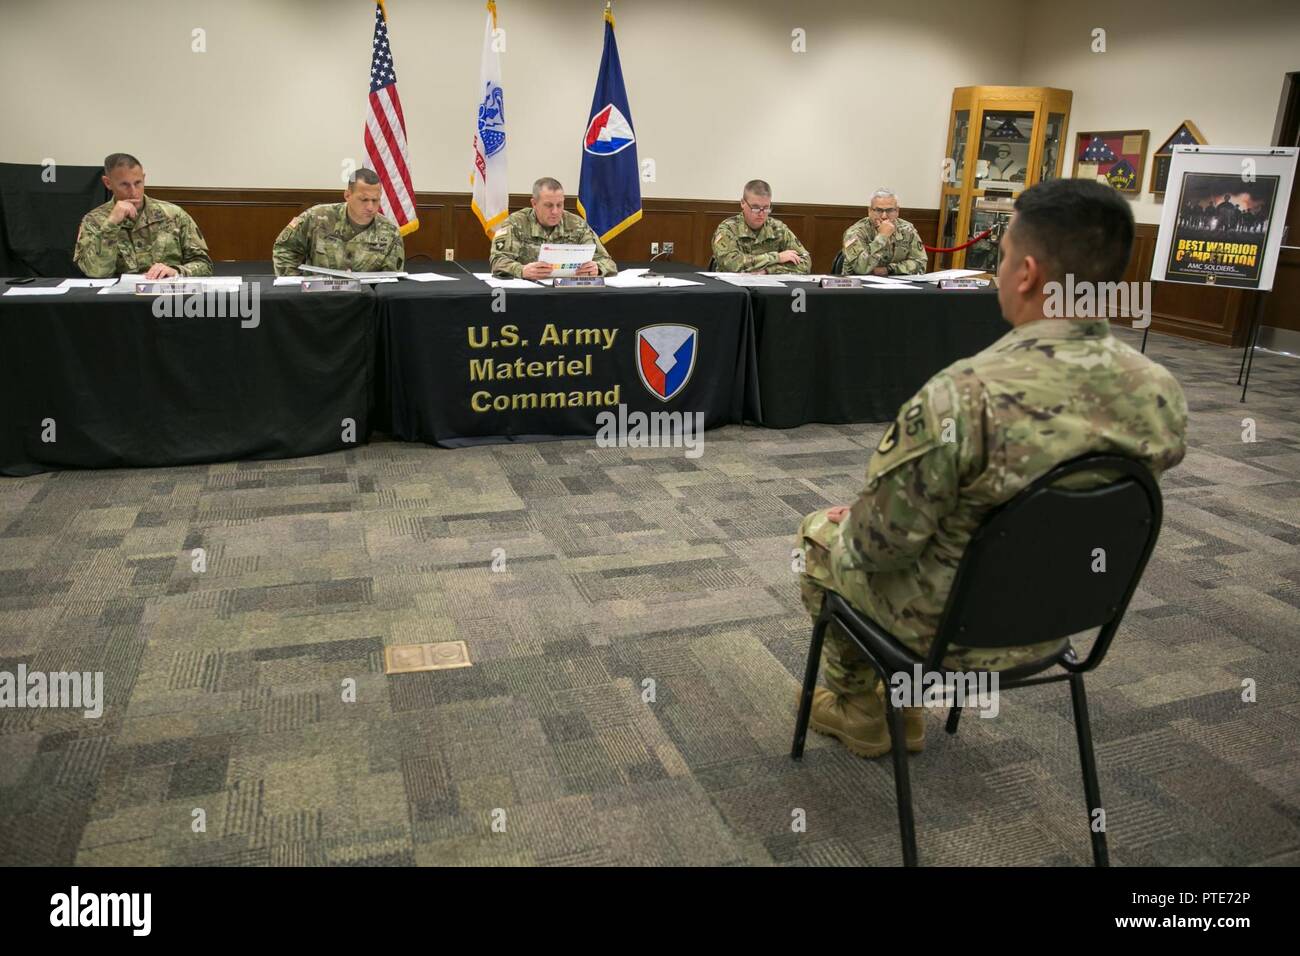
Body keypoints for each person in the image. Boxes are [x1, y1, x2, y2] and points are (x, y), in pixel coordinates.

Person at [796, 178, 1188, 758]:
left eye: (1000, 258)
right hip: (1062, 619)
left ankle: (866, 710)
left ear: (1026, 273)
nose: (997, 271)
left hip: (952, 632)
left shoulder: (962, 395)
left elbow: (882, 549)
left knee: (818, 537)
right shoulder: (1161, 392)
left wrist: (856, 520)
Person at [73, 153, 212, 278]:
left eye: (138, 183)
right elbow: (95, 272)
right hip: (118, 301)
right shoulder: (93, 220)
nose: (133, 192)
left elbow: (204, 265)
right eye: (124, 185)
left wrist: (176, 271)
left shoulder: (173, 214)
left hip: (166, 296)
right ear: (108, 183)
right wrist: (112, 223)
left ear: (144, 178)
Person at [272, 168, 404, 275]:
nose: (370, 207)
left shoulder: (390, 232)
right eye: (364, 200)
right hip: (317, 298)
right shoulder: (317, 217)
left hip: (365, 301)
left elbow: (390, 280)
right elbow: (284, 249)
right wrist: (295, 285)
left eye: (375, 200)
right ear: (347, 195)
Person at [490, 177, 617, 279]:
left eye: (559, 205)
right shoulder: (516, 223)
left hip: (568, 294)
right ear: (534, 203)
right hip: (528, 294)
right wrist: (521, 270)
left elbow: (608, 262)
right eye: (548, 205)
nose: (555, 211)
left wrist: (597, 268)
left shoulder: (577, 225)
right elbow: (498, 260)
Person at [710, 179, 809, 274]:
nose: (761, 214)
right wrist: (776, 258)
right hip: (733, 288)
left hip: (769, 288)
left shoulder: (778, 229)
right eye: (755, 208)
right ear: (743, 203)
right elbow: (732, 264)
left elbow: (805, 263)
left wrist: (769, 271)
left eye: (766, 208)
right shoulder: (728, 229)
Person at [841, 188, 927, 276]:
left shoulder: (907, 229)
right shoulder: (854, 233)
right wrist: (882, 237)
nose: (884, 216)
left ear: (897, 211)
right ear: (870, 211)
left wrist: (889, 269)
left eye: (890, 210)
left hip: (897, 284)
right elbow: (861, 269)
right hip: (860, 285)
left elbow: (921, 263)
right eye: (878, 210)